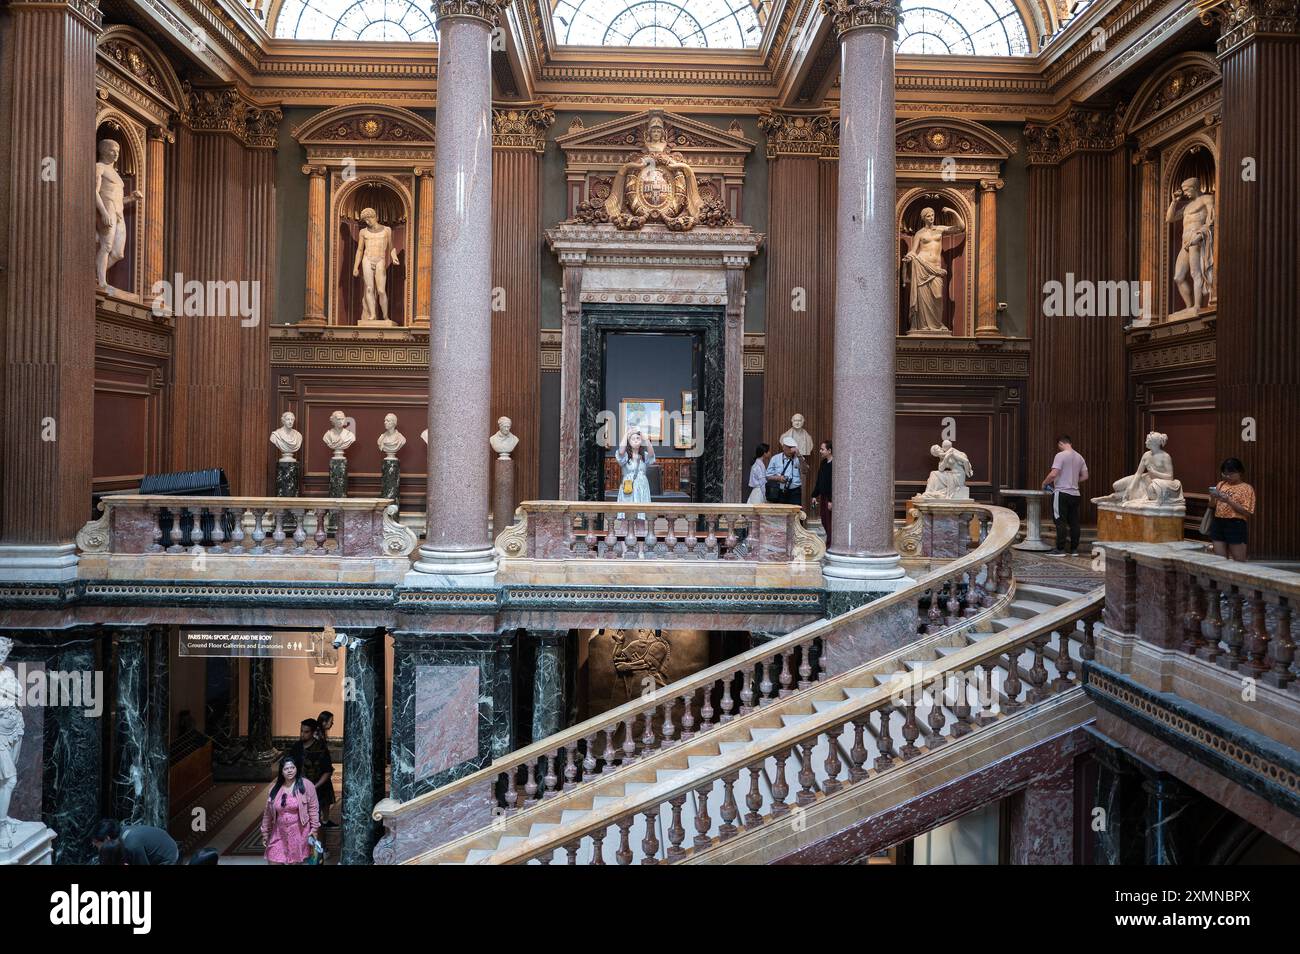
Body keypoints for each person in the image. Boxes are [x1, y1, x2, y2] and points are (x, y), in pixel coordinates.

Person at [261, 755, 320, 865]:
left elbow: (313, 809)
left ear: (296, 769)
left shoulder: (306, 785)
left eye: (292, 768)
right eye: (286, 769)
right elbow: (267, 813)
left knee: (295, 862)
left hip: (300, 832)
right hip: (279, 832)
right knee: (273, 860)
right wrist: (265, 832)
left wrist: (314, 829)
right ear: (281, 772)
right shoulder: (274, 789)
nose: (289, 771)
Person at [1041, 435, 1089, 556]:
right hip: (1075, 494)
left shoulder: (1060, 455)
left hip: (1061, 492)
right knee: (1074, 522)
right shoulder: (1079, 457)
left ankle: (1060, 549)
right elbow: (1085, 476)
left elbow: (1053, 474)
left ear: (1061, 443)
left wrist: (1044, 483)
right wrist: (1072, 480)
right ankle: (1074, 550)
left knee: (1060, 521)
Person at [288, 718, 334, 830]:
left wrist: (314, 787)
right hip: (299, 788)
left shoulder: (321, 748)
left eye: (306, 732)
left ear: (313, 732)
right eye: (301, 731)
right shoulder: (297, 747)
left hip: (317, 788)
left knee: (315, 821)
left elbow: (327, 771)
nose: (302, 734)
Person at [1207, 458, 1255, 562]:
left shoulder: (1247, 488)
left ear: (1240, 472)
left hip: (1235, 524)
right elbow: (1212, 506)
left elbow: (1247, 512)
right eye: (1225, 474)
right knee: (1219, 560)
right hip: (1218, 522)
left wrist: (1228, 500)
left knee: (1239, 561)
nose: (1228, 477)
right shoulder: (1221, 484)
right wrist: (1213, 497)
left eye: (1231, 474)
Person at [92, 819, 180, 865]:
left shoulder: (131, 846)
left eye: (96, 843)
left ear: (107, 839)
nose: (94, 845)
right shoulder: (120, 834)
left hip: (167, 855)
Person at [615, 428, 655, 520]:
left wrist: (646, 439)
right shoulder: (625, 456)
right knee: (626, 516)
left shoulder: (644, 456)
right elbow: (621, 451)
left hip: (642, 486)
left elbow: (652, 455)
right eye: (633, 439)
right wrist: (626, 434)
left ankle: (640, 532)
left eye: (638, 438)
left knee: (641, 517)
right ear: (629, 442)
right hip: (629, 485)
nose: (636, 440)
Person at [314, 711, 337, 829]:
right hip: (319, 772)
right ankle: (320, 821)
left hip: (323, 770)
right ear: (324, 722)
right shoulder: (317, 735)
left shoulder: (320, 733)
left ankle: (324, 820)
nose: (332, 723)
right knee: (321, 796)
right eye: (330, 721)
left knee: (325, 797)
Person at [766, 437, 803, 505]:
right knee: (782, 514)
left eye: (792, 447)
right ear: (783, 447)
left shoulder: (798, 459)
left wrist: (799, 456)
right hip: (780, 492)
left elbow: (805, 470)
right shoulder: (775, 458)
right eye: (789, 447)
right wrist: (779, 478)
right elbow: (768, 476)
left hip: (795, 492)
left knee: (795, 514)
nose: (791, 450)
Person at [812, 440, 833, 545]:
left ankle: (830, 545)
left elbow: (834, 484)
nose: (820, 451)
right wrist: (814, 495)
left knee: (830, 523)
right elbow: (819, 480)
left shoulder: (835, 464)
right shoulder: (823, 463)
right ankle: (829, 542)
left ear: (829, 451)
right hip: (824, 497)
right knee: (824, 521)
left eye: (822, 449)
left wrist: (831, 500)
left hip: (830, 499)